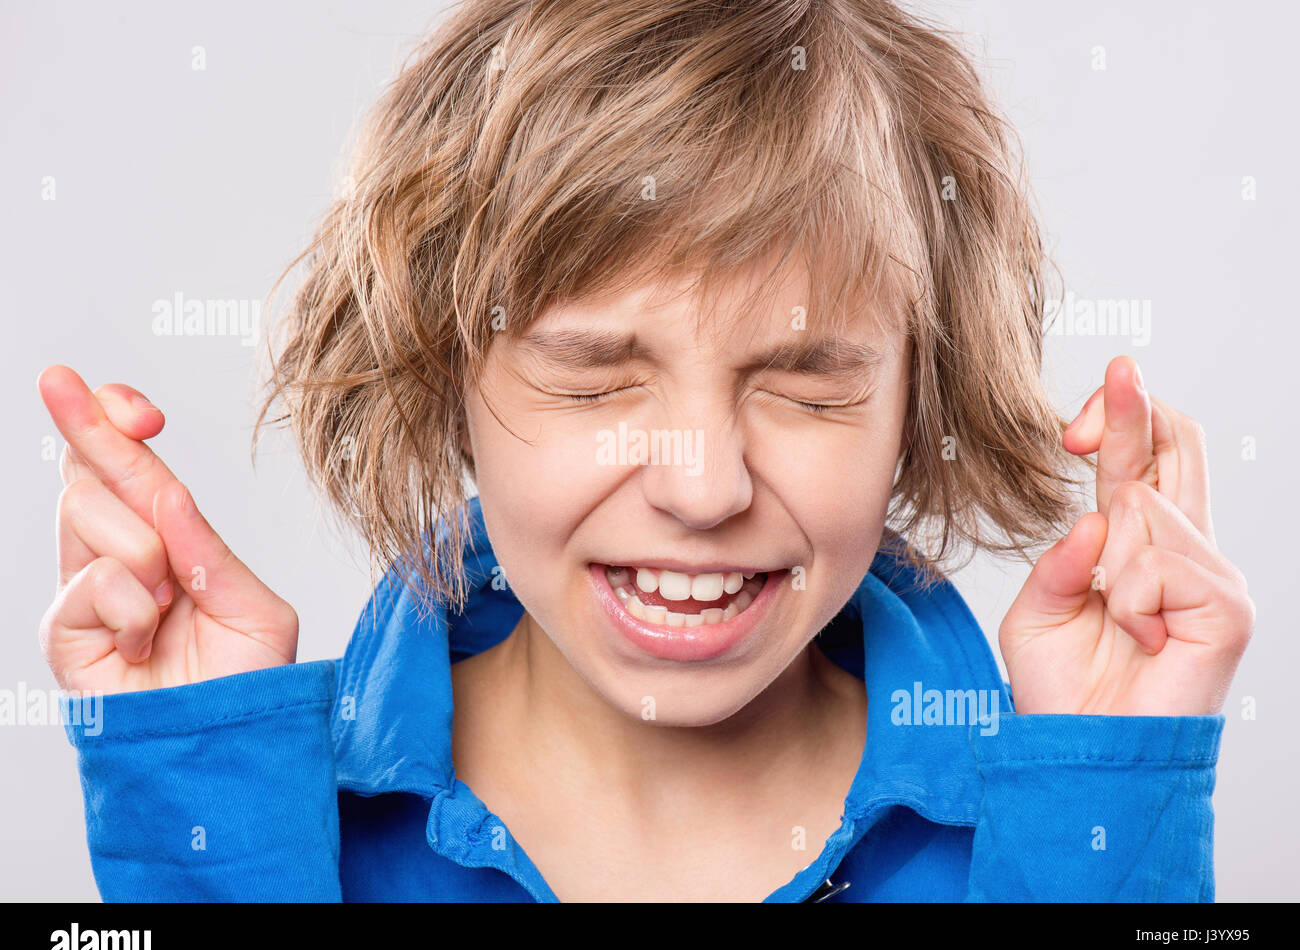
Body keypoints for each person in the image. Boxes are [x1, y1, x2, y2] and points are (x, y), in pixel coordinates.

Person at [37, 0, 1253, 902]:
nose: (703, 485)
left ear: (915, 410)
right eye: (596, 378)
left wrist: (1110, 793)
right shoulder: (265, 813)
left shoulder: (1059, 812)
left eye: (806, 389)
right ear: (437, 372)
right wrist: (198, 811)